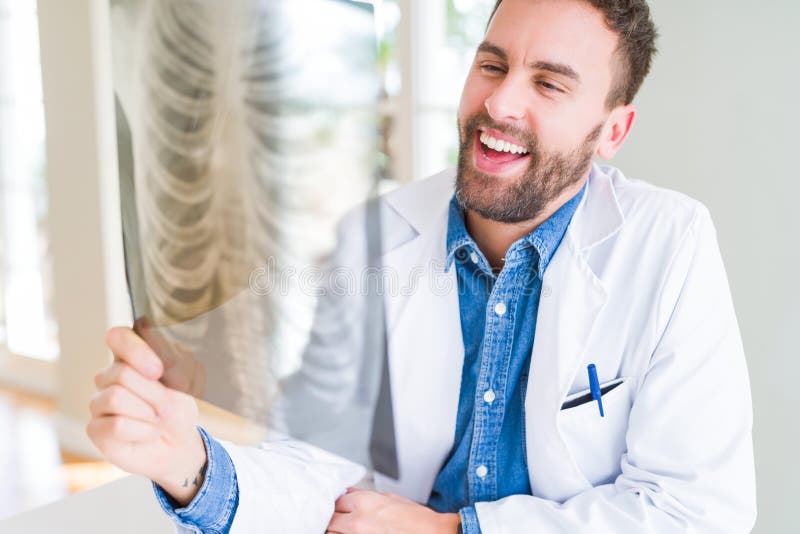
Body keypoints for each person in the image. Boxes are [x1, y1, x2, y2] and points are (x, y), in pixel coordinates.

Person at [87, 0, 757, 532]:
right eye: (491, 66)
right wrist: (192, 466)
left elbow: (696, 511)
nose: (499, 104)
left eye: (548, 84)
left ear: (613, 131)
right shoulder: (374, 239)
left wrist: (450, 531)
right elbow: (320, 466)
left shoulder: (670, 244)